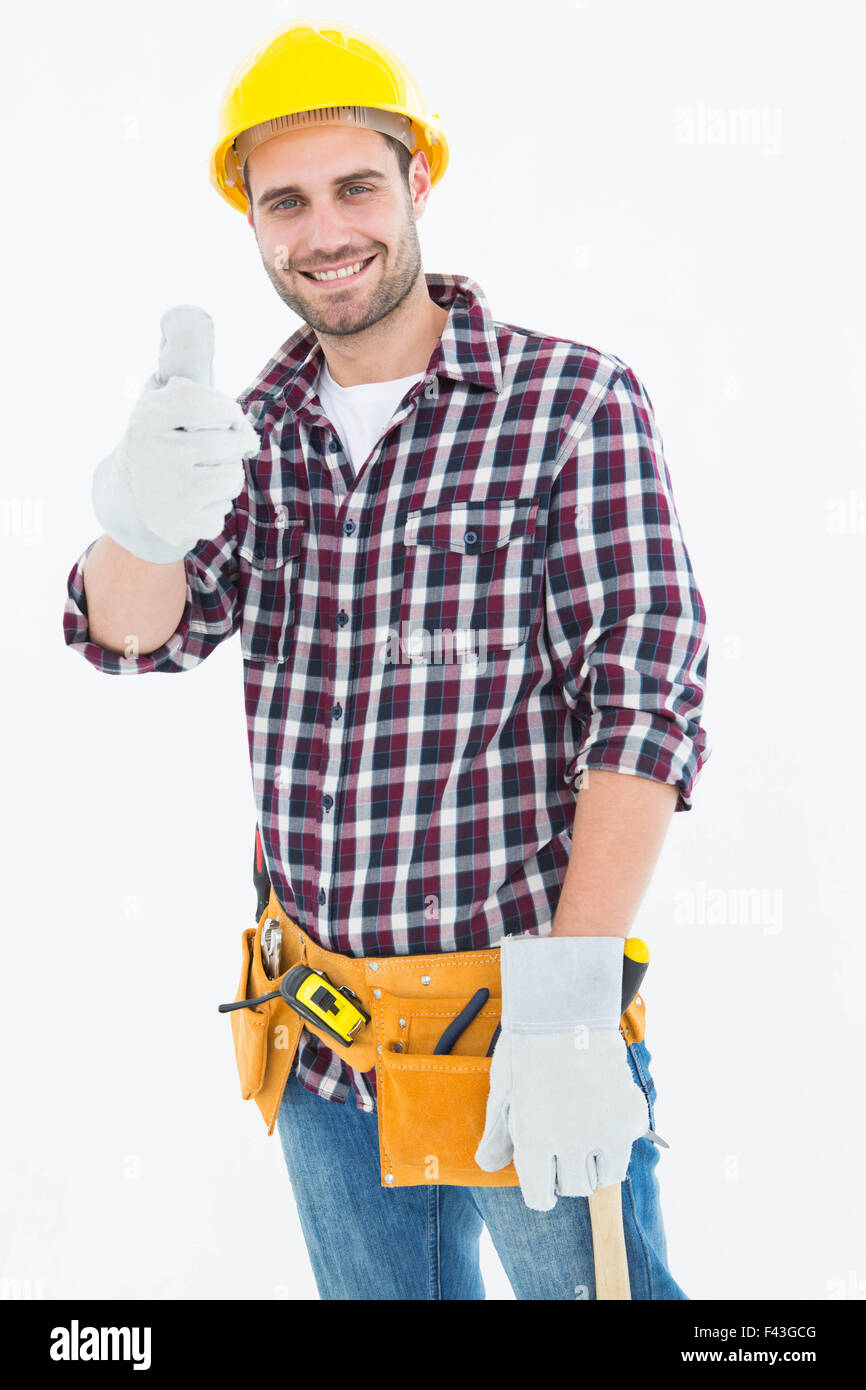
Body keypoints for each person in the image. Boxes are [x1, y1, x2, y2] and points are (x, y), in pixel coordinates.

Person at [63, 20, 711, 1300]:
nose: (324, 231)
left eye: (355, 185)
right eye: (284, 201)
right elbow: (136, 638)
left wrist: (574, 1005)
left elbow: (643, 712)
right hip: (317, 1053)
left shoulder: (570, 404)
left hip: (515, 1039)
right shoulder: (249, 433)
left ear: (419, 180)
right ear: (250, 221)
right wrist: (141, 514)